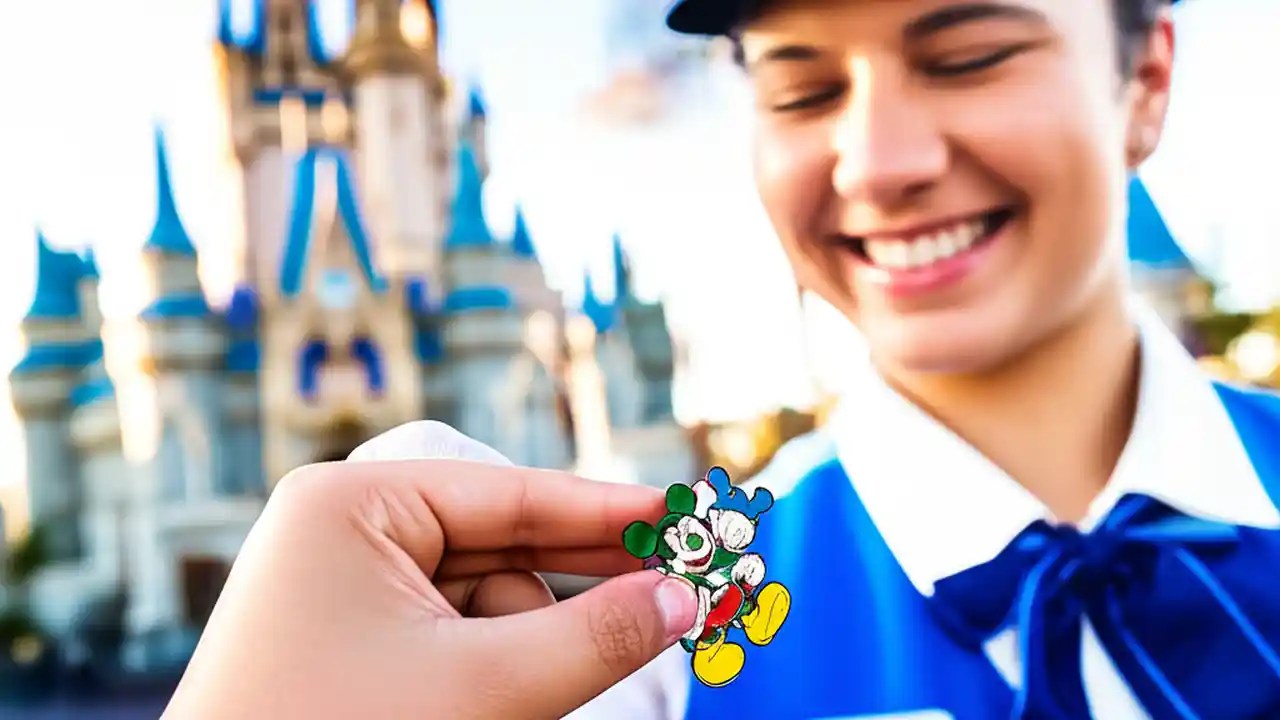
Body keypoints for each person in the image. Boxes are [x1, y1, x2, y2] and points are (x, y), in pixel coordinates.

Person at [162, 0, 1280, 718]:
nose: (878, 161)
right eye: (801, 86)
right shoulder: (666, 655)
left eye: (970, 56)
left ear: (1142, 82)